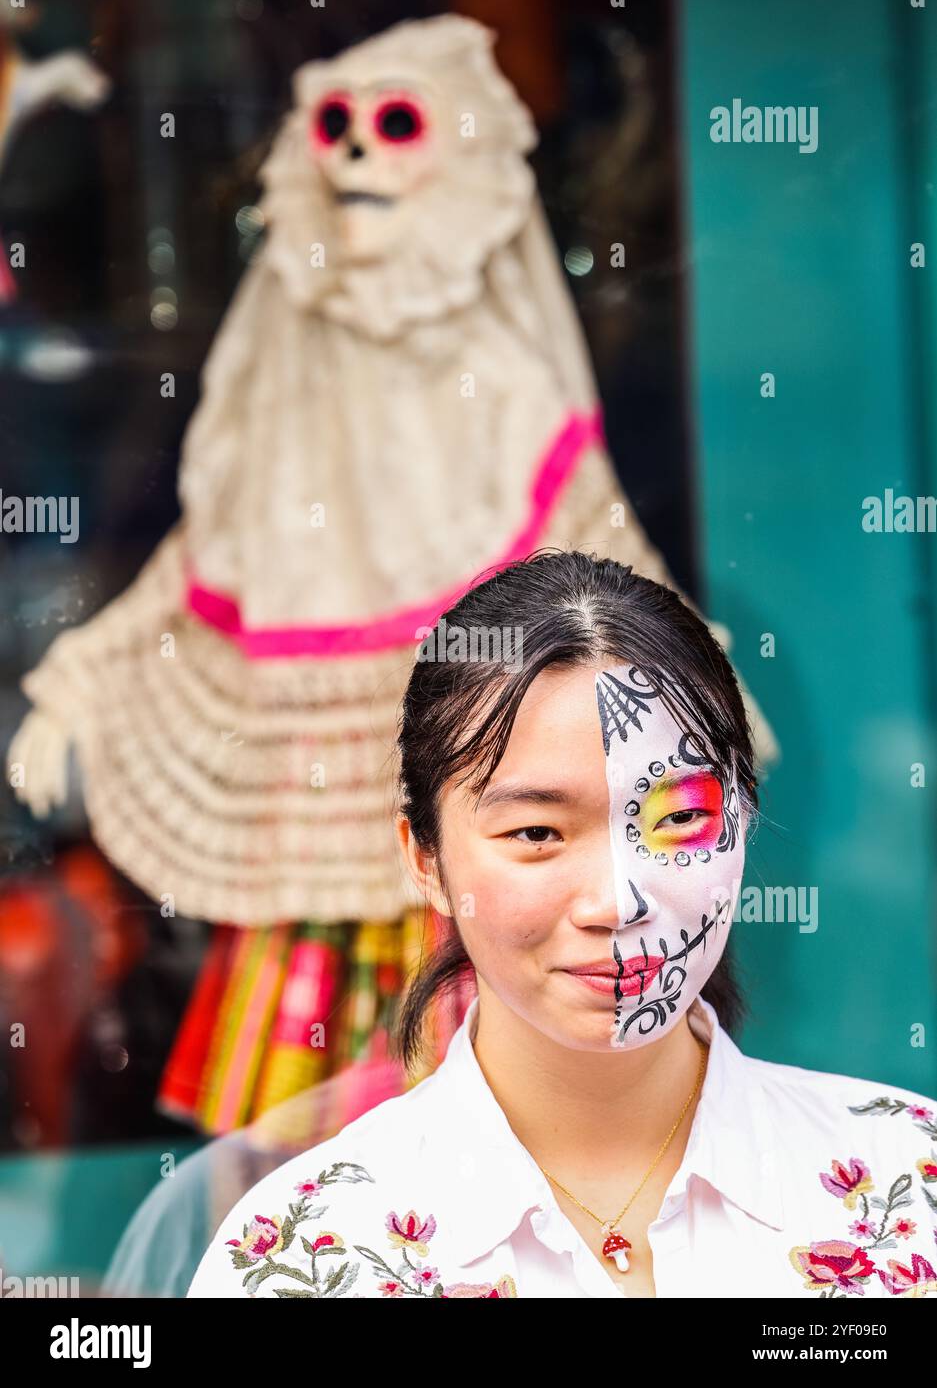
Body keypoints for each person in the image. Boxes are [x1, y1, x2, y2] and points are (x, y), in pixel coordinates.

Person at [187, 549, 937, 1299]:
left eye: (678, 818)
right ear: (423, 858)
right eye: (537, 833)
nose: (615, 903)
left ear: (741, 821)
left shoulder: (912, 1182)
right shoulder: (301, 1262)